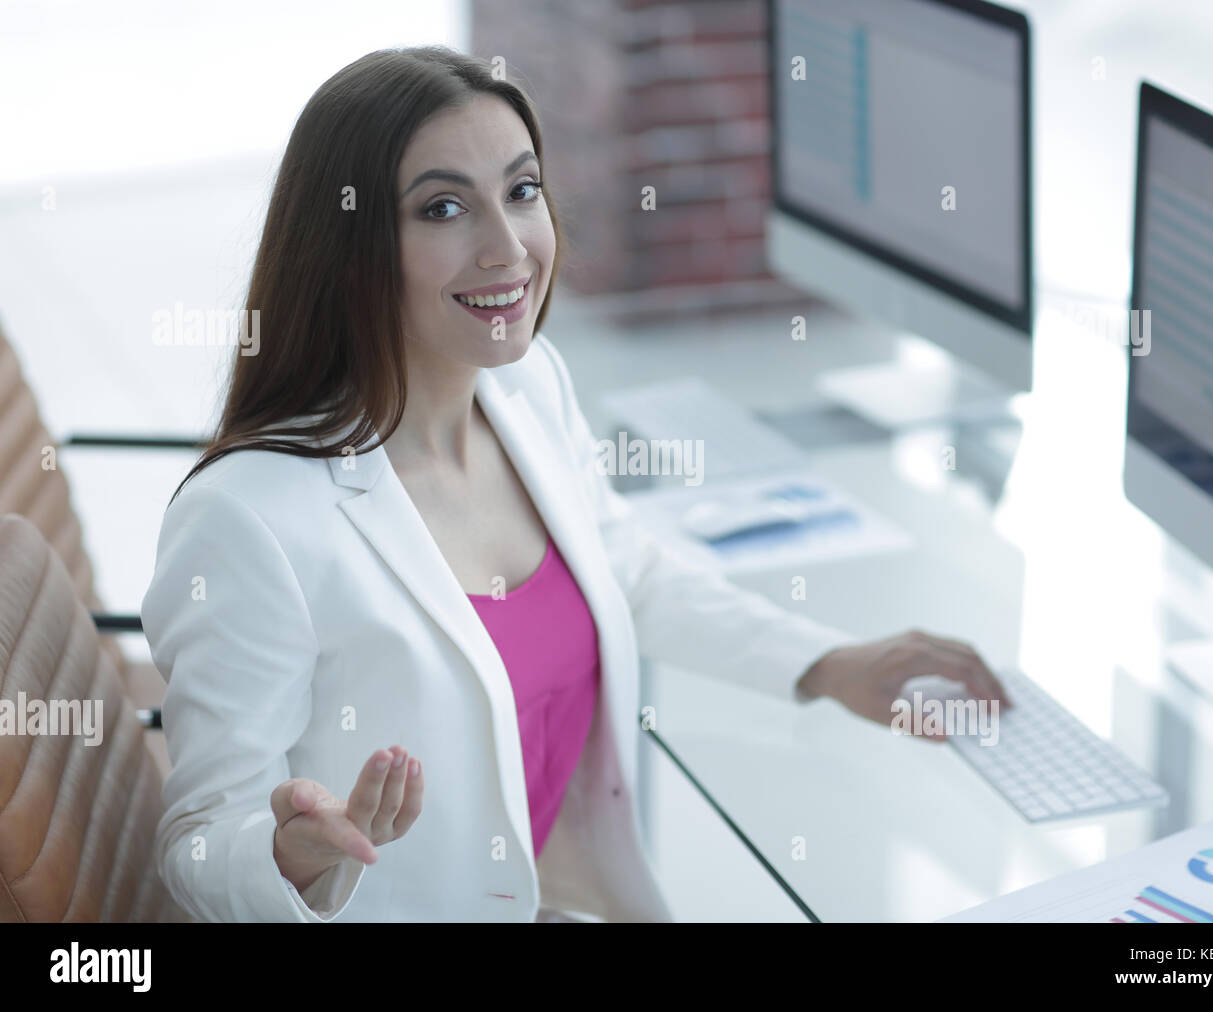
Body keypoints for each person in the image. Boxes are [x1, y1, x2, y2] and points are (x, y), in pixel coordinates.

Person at [142, 45, 1009, 924]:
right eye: (444, 208)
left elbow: (624, 564)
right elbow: (200, 846)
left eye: (521, 191)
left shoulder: (527, 386)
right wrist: (290, 856)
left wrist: (825, 664)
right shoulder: (248, 521)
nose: (508, 247)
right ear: (352, 251)